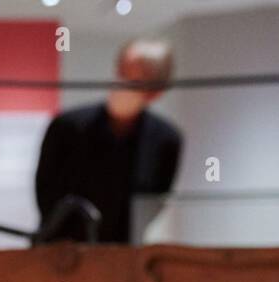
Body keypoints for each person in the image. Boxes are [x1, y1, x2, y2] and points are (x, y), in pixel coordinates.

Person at [35, 39, 182, 244]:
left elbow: (153, 201)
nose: (123, 83)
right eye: (122, 72)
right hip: (61, 252)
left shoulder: (166, 140)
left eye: (136, 80)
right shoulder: (67, 126)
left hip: (122, 254)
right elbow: (46, 191)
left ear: (156, 91)